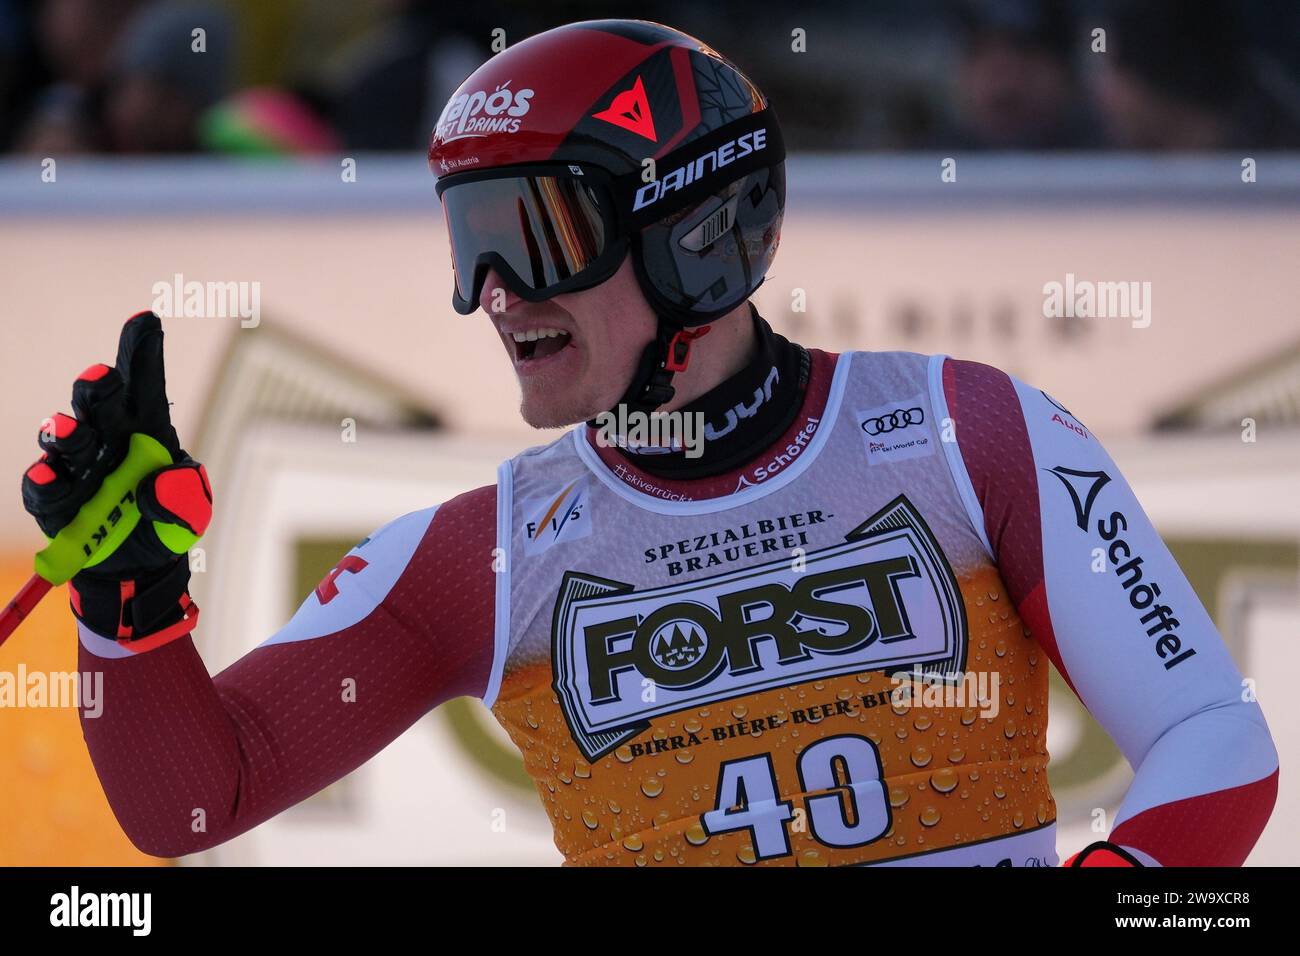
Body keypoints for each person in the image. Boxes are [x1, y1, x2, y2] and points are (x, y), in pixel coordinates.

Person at [21, 19, 1278, 867]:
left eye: (540, 232)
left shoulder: (968, 431)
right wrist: (127, 606)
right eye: (472, 242)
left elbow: (1215, 742)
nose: (497, 292)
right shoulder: (481, 554)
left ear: (698, 230)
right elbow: (193, 801)